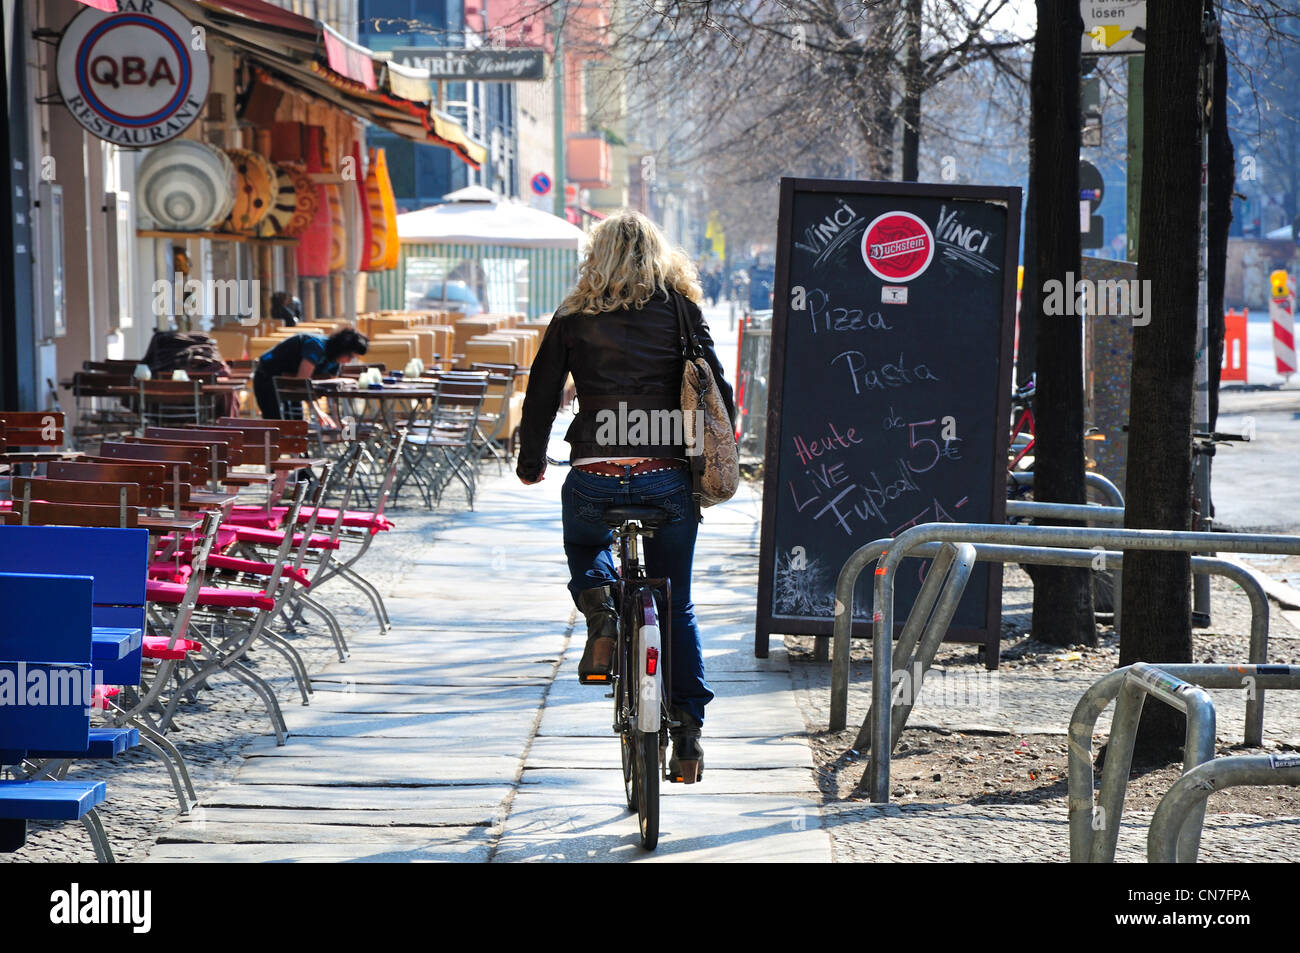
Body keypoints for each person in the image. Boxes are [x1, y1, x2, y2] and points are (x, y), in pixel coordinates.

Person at [516, 210, 735, 785]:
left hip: (596, 465)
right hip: (666, 471)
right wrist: (719, 453)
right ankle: (687, 733)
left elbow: (540, 394)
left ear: (597, 255)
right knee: (676, 602)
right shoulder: (681, 312)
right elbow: (717, 389)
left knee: (585, 540)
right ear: (659, 256)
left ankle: (603, 615)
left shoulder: (573, 315)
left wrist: (531, 461)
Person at [252, 326, 368, 420]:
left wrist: (336, 419)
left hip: (289, 384)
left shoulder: (335, 362)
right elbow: (302, 383)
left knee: (297, 427)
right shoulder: (316, 346)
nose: (348, 361)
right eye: (350, 356)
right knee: (276, 423)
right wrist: (317, 411)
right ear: (342, 349)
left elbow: (332, 392)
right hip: (267, 378)